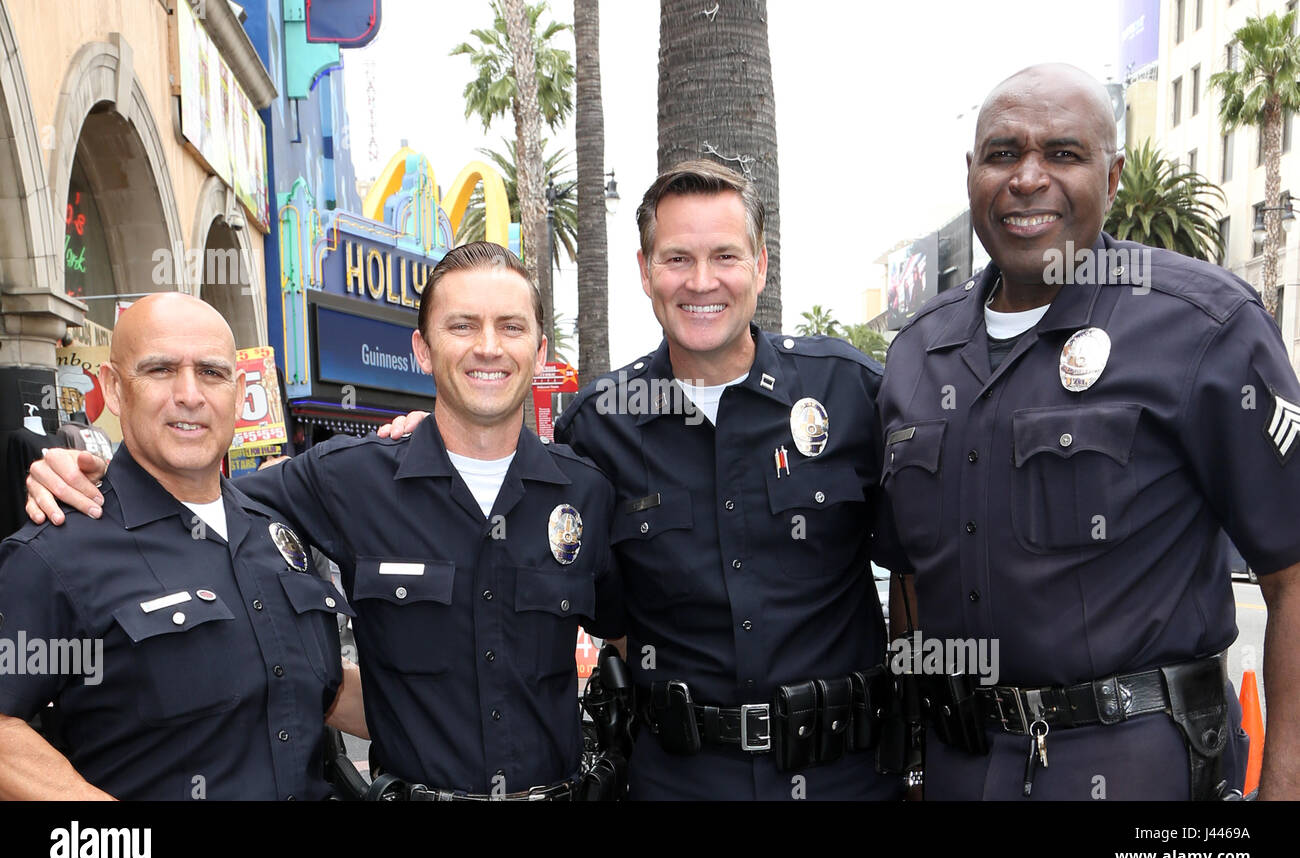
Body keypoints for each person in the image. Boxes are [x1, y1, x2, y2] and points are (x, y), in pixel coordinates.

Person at [28, 244, 622, 801]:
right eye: (462, 325)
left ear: (541, 351)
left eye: (511, 326)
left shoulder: (589, 493)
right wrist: (85, 469)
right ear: (422, 349)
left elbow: (630, 635)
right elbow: (194, 487)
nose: (487, 347)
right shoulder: (346, 478)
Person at [386, 161, 897, 800]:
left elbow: (914, 568)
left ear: (760, 266)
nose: (701, 281)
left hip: (845, 777)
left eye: (725, 256)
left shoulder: (850, 393)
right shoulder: (598, 428)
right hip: (677, 779)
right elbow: (579, 588)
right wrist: (438, 434)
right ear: (644, 272)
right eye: (677, 258)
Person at [874, 63, 1300, 800]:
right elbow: (909, 584)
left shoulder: (1204, 327)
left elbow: (1293, 576)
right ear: (972, 173)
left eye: (1064, 153)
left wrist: (1287, 786)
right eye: (1003, 154)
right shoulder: (915, 354)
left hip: (1147, 773)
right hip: (959, 768)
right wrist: (914, 757)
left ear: (1112, 177)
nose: (1028, 177)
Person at [0, 293, 366, 800]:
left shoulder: (273, 534)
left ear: (239, 394)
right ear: (112, 388)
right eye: (160, 370)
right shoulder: (58, 552)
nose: (189, 394)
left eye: (212, 373)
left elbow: (319, 690)